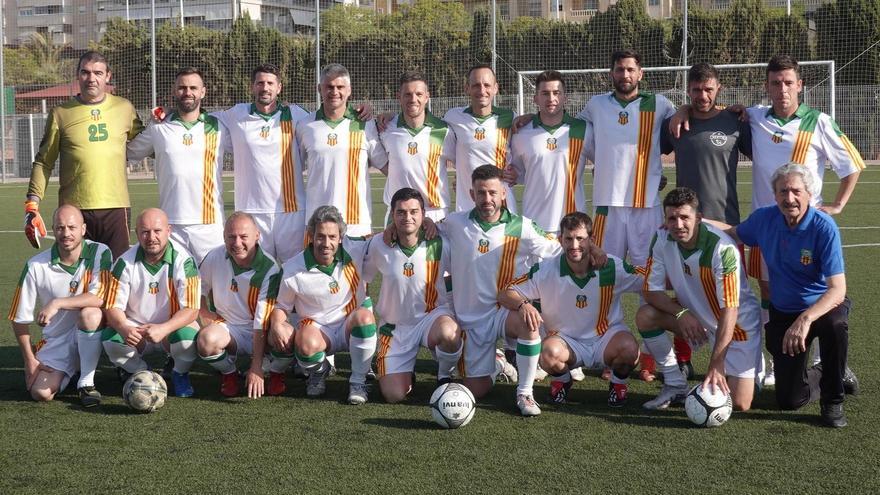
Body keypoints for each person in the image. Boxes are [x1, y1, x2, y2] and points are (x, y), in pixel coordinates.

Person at [711, 163, 853, 427]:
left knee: (836, 325)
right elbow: (733, 232)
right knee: (789, 400)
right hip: (784, 312)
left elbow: (838, 289)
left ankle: (833, 400)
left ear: (809, 194)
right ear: (774, 195)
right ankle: (829, 371)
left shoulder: (824, 227)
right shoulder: (765, 219)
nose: (790, 198)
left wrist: (805, 319)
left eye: (796, 191)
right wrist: (696, 221)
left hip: (822, 307)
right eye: (783, 191)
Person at [576, 49, 678, 381]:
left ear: (641, 72)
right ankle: (609, 355)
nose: (625, 75)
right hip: (607, 208)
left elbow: (687, 118)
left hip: (646, 207)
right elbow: (567, 127)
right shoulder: (595, 105)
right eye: (619, 69)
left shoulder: (660, 103)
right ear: (611, 73)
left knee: (652, 283)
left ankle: (651, 361)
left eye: (630, 69)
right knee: (606, 281)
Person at [659, 62, 752, 379]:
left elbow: (763, 152)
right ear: (688, 90)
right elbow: (648, 155)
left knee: (732, 296)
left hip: (726, 226)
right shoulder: (676, 125)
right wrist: (681, 111)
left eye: (708, 89)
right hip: (684, 227)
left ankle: (738, 357)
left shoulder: (735, 122)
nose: (702, 95)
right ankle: (682, 359)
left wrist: (743, 110)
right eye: (696, 90)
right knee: (683, 293)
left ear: (719, 90)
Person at [435, 164, 560, 399]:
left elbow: (557, 250)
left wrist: (590, 251)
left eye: (493, 192)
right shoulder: (454, 223)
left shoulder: (521, 226)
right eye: (481, 193)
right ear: (472, 195)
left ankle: (525, 393)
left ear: (503, 193)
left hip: (504, 311)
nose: (487, 199)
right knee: (476, 391)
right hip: (471, 320)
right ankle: (499, 364)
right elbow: (428, 229)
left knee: (529, 322)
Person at [500, 212, 642, 415]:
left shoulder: (610, 266)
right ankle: (563, 381)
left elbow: (647, 278)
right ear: (560, 240)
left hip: (605, 338)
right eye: (568, 239)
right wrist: (523, 304)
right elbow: (506, 293)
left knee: (629, 349)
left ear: (591, 241)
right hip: (567, 342)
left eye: (580, 239)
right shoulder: (546, 269)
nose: (574, 245)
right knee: (548, 353)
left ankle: (618, 385)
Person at [637, 188, 762, 412]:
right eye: (672, 218)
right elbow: (650, 291)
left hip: (737, 328)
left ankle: (755, 369)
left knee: (740, 404)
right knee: (646, 316)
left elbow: (730, 310)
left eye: (685, 217)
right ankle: (675, 385)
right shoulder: (662, 237)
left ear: (698, 218)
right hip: (698, 320)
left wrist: (716, 363)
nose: (678, 225)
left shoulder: (721, 248)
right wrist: (681, 313)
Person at [26, 51, 145, 258]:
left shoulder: (124, 108)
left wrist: (166, 125)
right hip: (74, 210)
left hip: (115, 209)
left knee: (116, 275)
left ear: (108, 76)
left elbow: (147, 143)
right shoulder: (61, 113)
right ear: (77, 75)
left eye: (98, 73)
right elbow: (44, 162)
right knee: (75, 276)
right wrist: (32, 205)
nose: (91, 78)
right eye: (85, 72)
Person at [268, 206, 377, 404]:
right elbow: (281, 307)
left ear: (341, 237)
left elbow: (383, 239)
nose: (326, 243)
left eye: (332, 237)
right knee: (303, 341)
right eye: (320, 236)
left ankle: (358, 381)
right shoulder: (292, 269)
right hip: (318, 330)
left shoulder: (356, 249)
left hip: (348, 324)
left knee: (365, 317)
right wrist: (276, 325)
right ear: (311, 235)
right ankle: (319, 371)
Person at [364, 188, 462, 402]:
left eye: (413, 212)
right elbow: (362, 276)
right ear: (392, 215)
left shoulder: (441, 243)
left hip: (430, 318)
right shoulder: (378, 244)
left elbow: (461, 275)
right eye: (401, 212)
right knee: (393, 395)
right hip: (395, 328)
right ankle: (405, 373)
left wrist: (450, 304)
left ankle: (444, 375)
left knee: (450, 333)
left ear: (423, 214)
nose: (407, 217)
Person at [8, 205, 110, 406]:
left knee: (90, 314)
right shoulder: (36, 266)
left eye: (72, 227)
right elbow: (19, 318)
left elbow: (100, 297)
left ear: (83, 229)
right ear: (54, 230)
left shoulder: (99, 252)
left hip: (91, 326)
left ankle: (86, 383)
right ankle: (70, 371)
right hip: (57, 339)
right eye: (61, 228)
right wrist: (29, 360)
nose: (66, 234)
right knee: (40, 393)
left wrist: (58, 303)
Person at [127, 67, 228, 263]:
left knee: (213, 287)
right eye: (182, 88)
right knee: (173, 286)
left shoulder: (219, 127)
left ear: (203, 92)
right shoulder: (159, 127)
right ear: (174, 91)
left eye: (193, 87)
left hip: (209, 224)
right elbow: (128, 152)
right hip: (170, 223)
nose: (187, 92)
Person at [216, 64, 311, 263]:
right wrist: (169, 113)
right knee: (255, 275)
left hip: (291, 211)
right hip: (251, 212)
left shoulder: (296, 115)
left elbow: (328, 120)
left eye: (270, 83)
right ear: (252, 87)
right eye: (260, 83)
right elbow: (199, 118)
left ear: (279, 88)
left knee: (294, 274)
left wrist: (363, 112)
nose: (265, 88)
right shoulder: (237, 114)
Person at [101, 208, 200, 398]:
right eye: (145, 232)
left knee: (188, 337)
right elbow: (112, 306)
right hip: (136, 329)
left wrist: (164, 328)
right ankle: (142, 372)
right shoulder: (124, 263)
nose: (151, 237)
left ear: (168, 230)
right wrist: (123, 328)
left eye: (157, 231)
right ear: (136, 233)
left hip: (168, 329)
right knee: (110, 339)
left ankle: (179, 372)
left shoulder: (184, 261)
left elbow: (192, 309)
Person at [196, 212, 281, 398]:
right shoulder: (215, 256)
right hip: (229, 328)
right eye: (231, 237)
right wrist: (205, 313)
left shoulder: (270, 268)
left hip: (261, 332)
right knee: (205, 340)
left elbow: (261, 320)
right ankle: (230, 373)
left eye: (244, 237)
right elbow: (197, 289)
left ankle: (275, 373)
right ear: (224, 236)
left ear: (257, 235)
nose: (237, 243)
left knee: (285, 336)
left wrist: (256, 365)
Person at [297, 64, 387, 237]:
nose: (334, 92)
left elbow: (386, 166)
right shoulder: (305, 125)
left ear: (349, 90)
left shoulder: (364, 124)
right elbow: (294, 168)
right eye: (329, 87)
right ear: (319, 89)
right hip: (317, 225)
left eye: (340, 87)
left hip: (356, 224)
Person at [509, 70, 588, 234]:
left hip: (572, 225)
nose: (551, 99)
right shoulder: (520, 134)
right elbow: (517, 173)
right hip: (534, 224)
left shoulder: (584, 130)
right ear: (535, 98)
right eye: (545, 93)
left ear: (565, 97)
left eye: (556, 93)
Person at [379, 71, 456, 222]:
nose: (413, 99)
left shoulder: (443, 130)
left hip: (434, 213)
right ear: (398, 96)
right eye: (407, 94)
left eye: (419, 94)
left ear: (427, 97)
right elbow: (377, 160)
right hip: (398, 212)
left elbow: (463, 161)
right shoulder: (385, 128)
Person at [443, 64, 518, 213]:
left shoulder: (510, 118)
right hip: (466, 205)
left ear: (496, 88)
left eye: (487, 85)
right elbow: (422, 120)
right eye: (476, 85)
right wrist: (393, 117)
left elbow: (525, 154)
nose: (482, 90)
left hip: (501, 204)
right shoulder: (453, 117)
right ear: (467, 88)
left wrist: (517, 173)